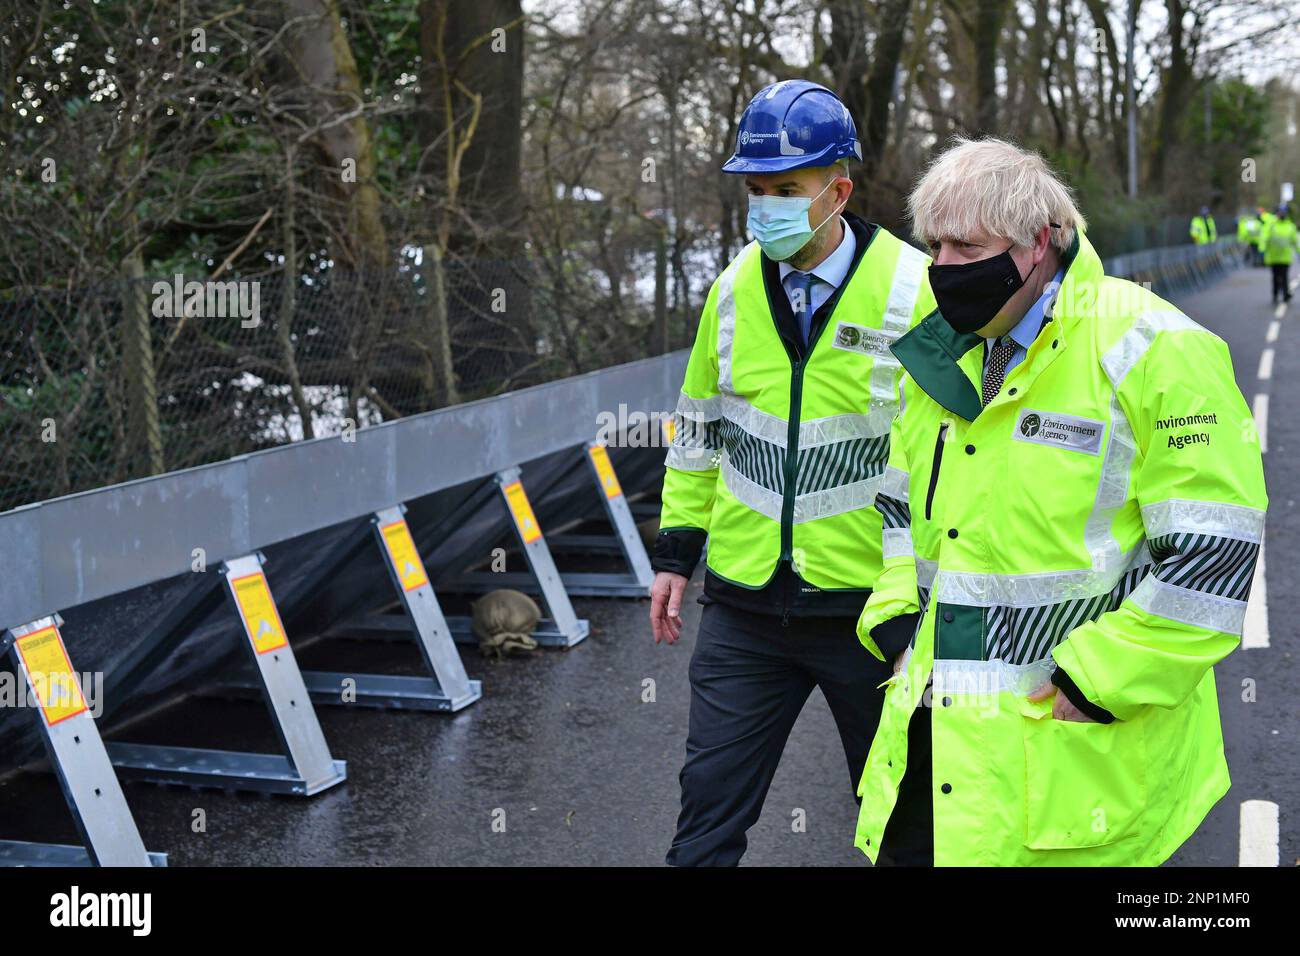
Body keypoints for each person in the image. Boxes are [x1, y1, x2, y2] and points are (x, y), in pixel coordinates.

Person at [853, 137, 1266, 866]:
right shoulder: (940, 352)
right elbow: (897, 505)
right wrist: (893, 617)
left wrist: (1098, 677)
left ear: (1040, 242)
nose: (943, 268)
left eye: (967, 246)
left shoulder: (1156, 348)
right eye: (935, 245)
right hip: (935, 740)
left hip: (1074, 756)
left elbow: (1216, 552)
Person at [650, 79, 936, 866]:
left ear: (837, 191)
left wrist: (925, 597)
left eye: (788, 189)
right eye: (757, 190)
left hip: (871, 613)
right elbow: (701, 427)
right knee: (702, 830)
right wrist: (678, 549)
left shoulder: (916, 291)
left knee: (905, 830)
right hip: (744, 610)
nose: (766, 206)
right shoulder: (733, 290)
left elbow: (952, 461)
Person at [1261, 204, 1298, 304]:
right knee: (1275, 276)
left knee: (1284, 276)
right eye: (1280, 212)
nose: (1282, 214)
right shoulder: (1271, 225)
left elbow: (1295, 241)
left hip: (1285, 257)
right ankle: (1275, 293)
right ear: (1277, 213)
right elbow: (1265, 237)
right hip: (1273, 257)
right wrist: (1262, 249)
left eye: (1284, 212)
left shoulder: (1290, 226)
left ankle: (1285, 295)